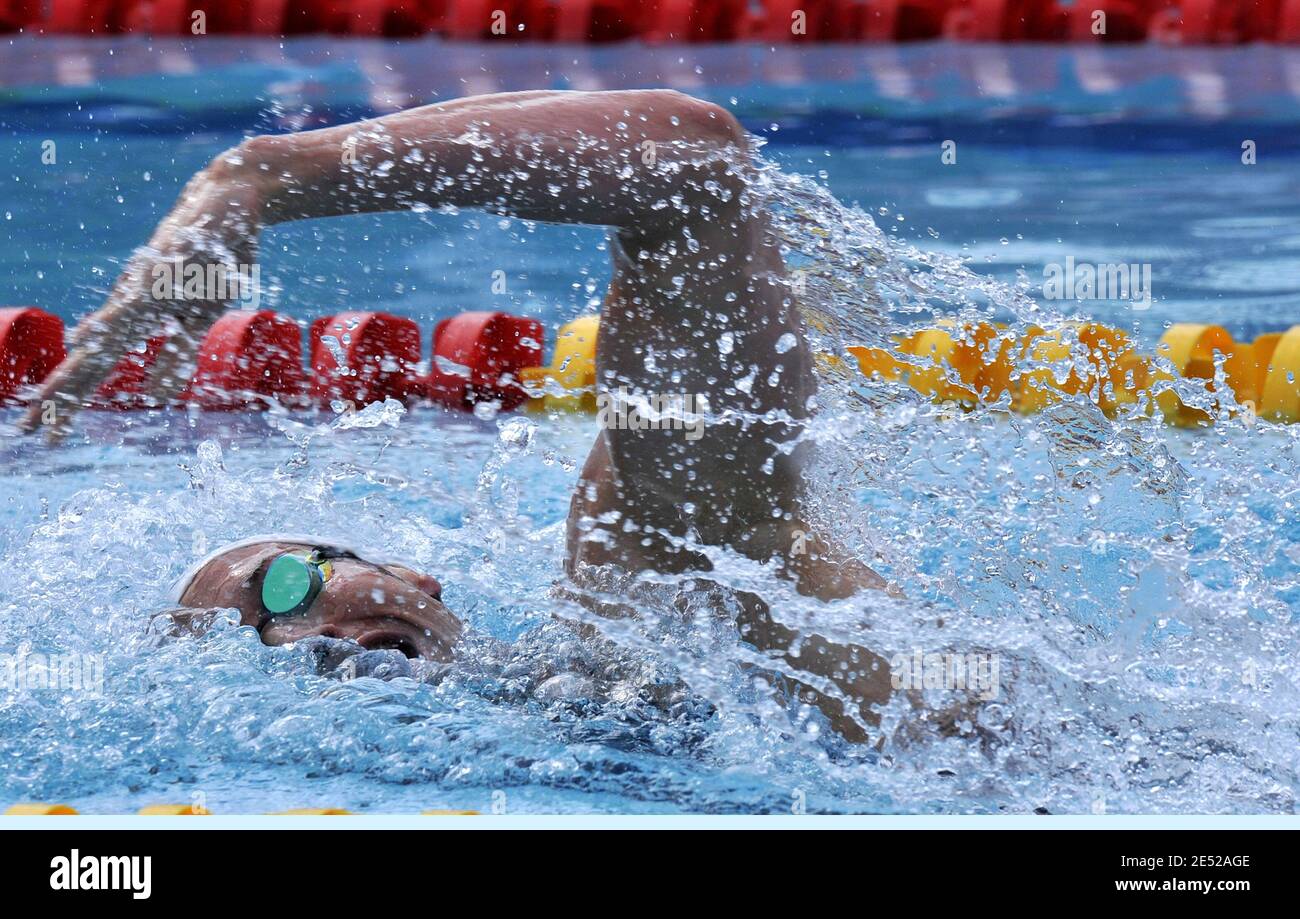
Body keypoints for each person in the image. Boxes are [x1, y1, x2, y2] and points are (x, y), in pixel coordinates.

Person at [22, 89, 892, 741]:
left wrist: (267, 179)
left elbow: (698, 167)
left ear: (415, 576)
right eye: (250, 648)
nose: (294, 638)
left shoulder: (646, 573)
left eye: (285, 584)